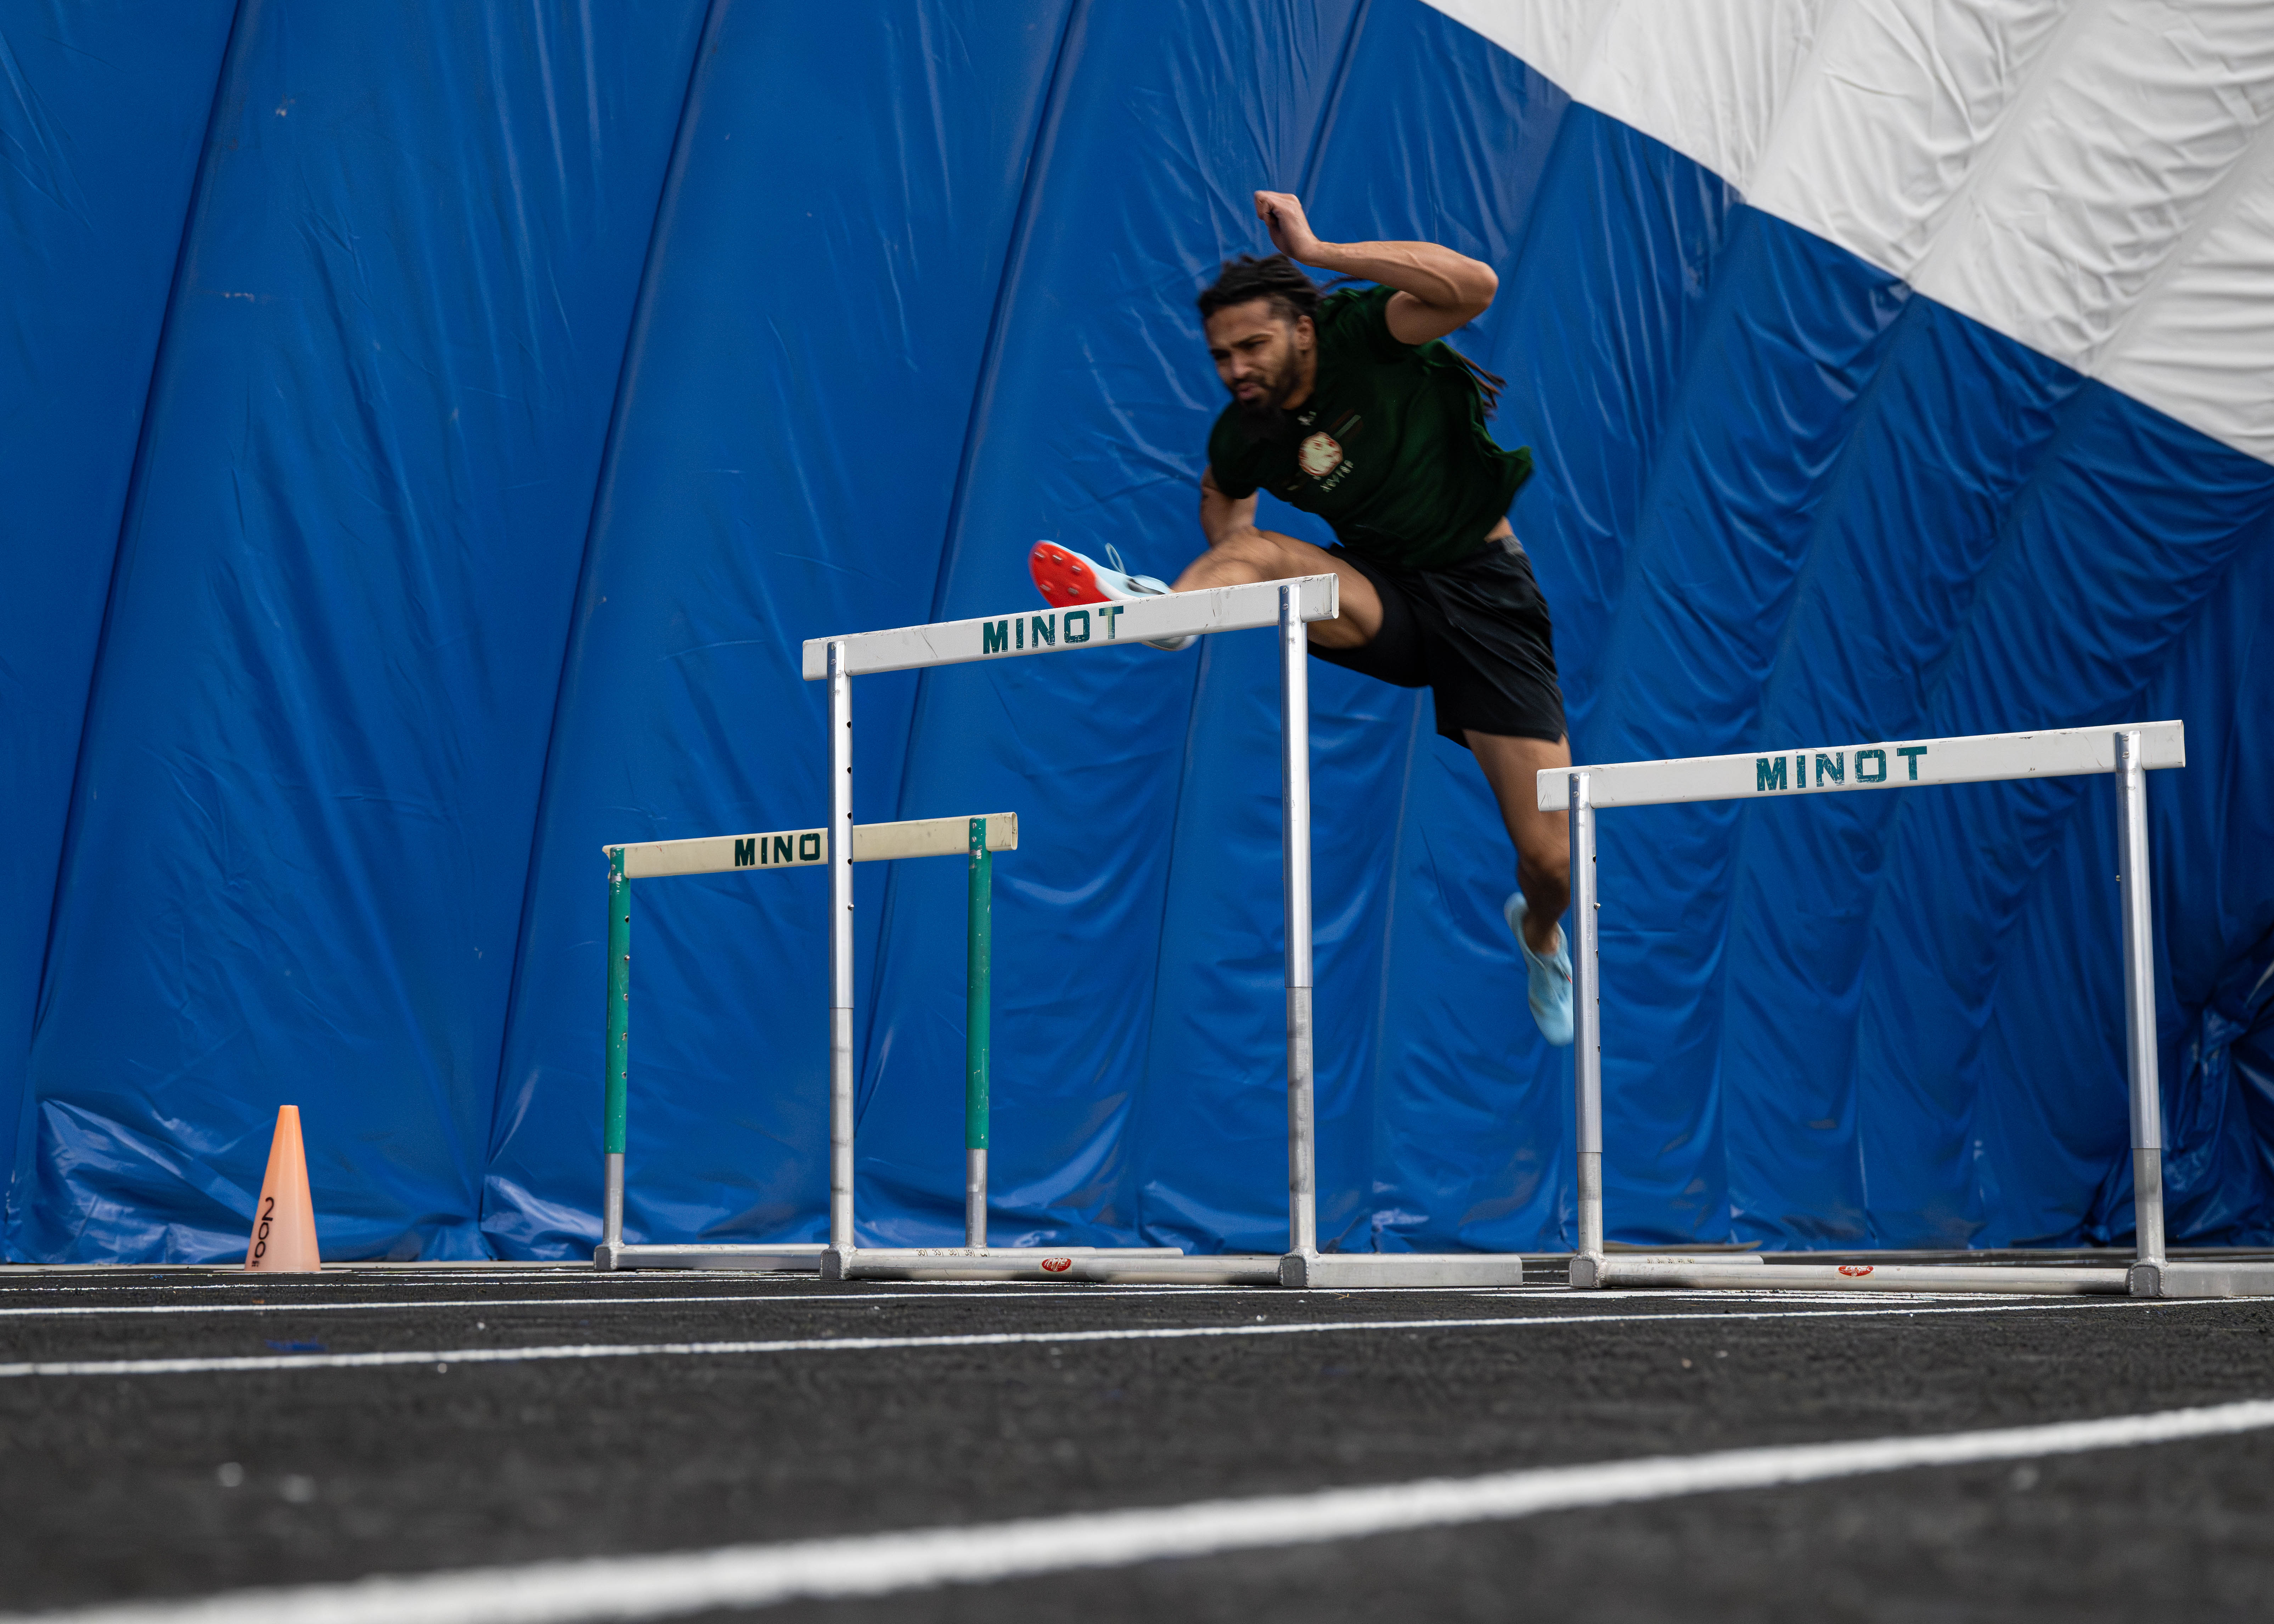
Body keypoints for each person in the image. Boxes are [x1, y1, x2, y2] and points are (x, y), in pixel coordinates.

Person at [1029, 191, 1573, 1045]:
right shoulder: (1244, 433)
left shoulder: (1365, 335)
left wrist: (1322, 248)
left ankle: (1538, 936)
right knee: (1263, 558)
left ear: (1302, 329)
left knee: (1549, 861)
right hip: (1382, 598)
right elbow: (1225, 503)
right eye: (1219, 356)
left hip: (1483, 595)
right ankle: (1167, 612)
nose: (1235, 368)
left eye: (1251, 346)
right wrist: (1223, 580)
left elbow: (1473, 286)